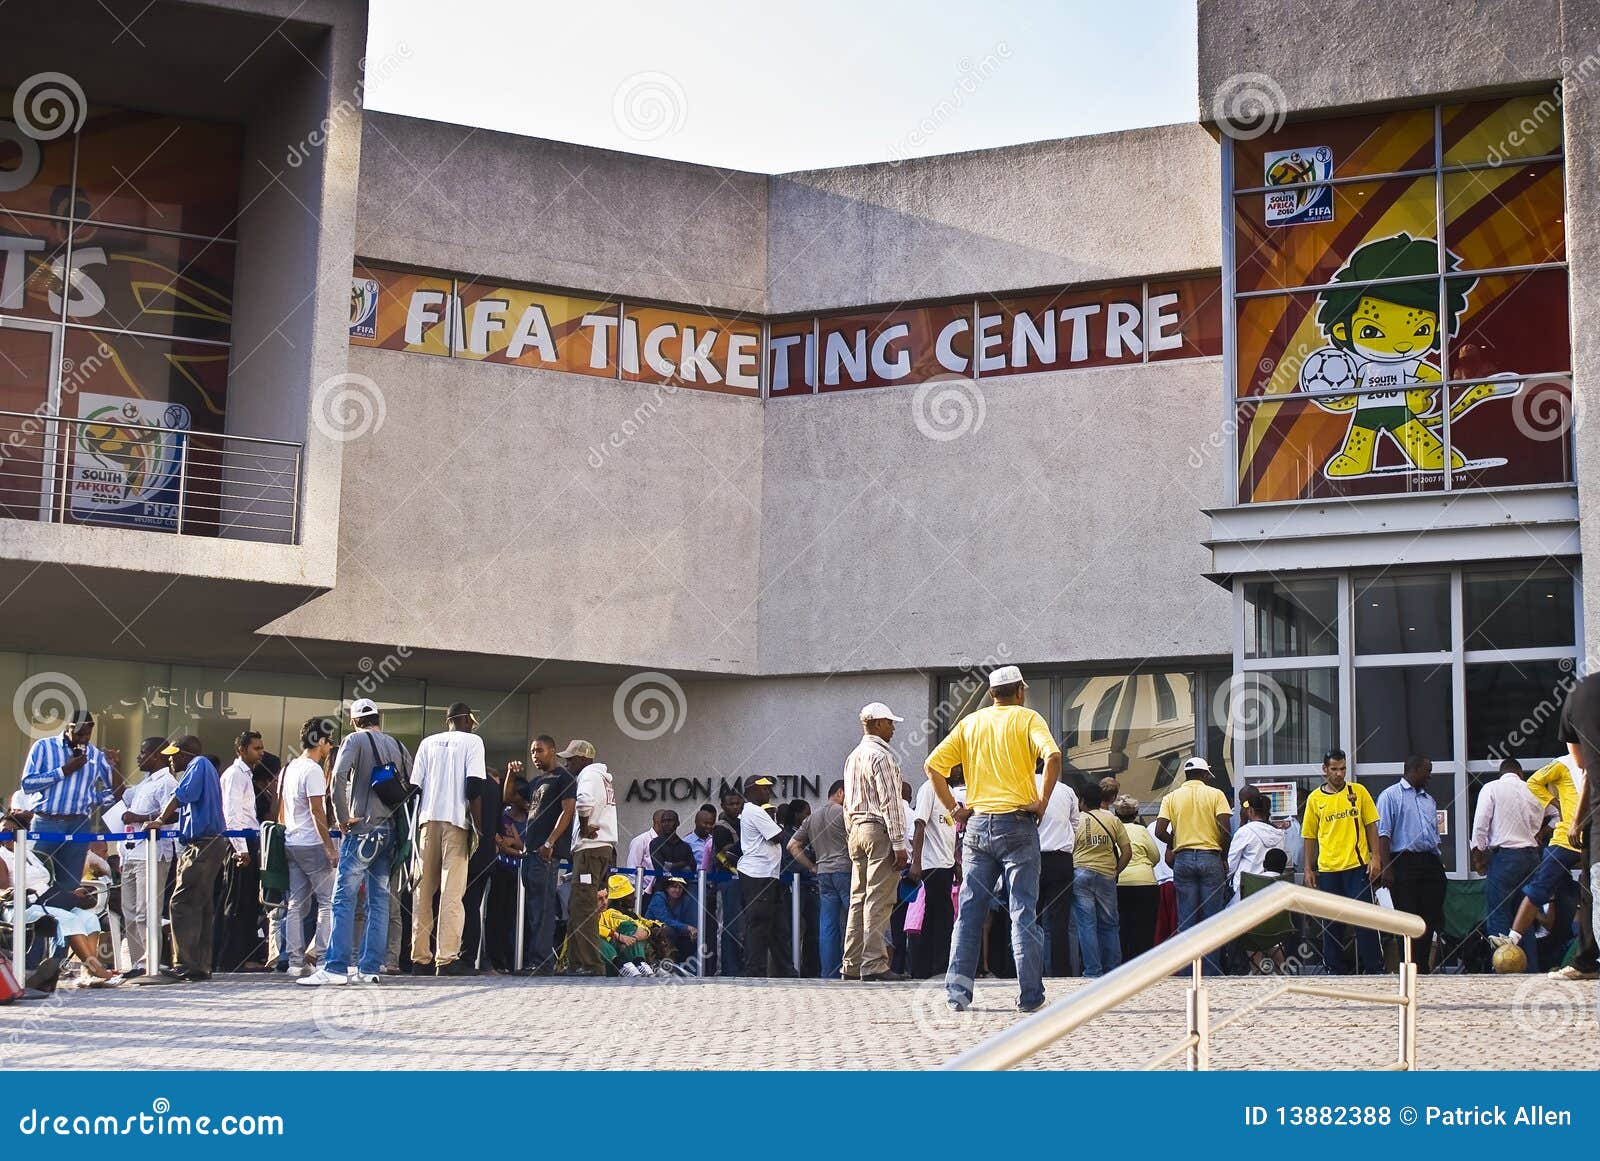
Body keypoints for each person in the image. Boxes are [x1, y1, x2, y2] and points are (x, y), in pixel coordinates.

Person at [927, 666, 1063, 1013]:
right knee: (1022, 911)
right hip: (1018, 824)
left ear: (991, 694)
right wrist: (1043, 800)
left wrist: (955, 809)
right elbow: (1053, 756)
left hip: (977, 827)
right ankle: (1030, 996)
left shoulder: (971, 723)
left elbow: (932, 766)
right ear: (1020, 691)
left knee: (969, 913)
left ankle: (957, 994)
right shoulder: (1028, 718)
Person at [301, 698, 413, 987]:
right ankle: (369, 968)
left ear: (353, 721)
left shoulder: (354, 740)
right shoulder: (399, 746)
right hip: (389, 831)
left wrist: (341, 816)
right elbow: (411, 784)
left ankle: (336, 968)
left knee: (343, 898)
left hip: (362, 828)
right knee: (379, 902)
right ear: (379, 717)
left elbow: (338, 777)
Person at [410, 703, 487, 976]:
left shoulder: (427, 742)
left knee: (423, 893)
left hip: (426, 822)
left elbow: (414, 786)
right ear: (466, 719)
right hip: (456, 822)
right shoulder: (473, 742)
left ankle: (420, 958)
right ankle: (447, 958)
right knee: (452, 893)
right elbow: (474, 786)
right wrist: (478, 827)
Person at [1490, 751, 1586, 969]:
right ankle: (1513, 938)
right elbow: (1533, 783)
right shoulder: (1563, 764)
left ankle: (1586, 953)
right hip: (1564, 840)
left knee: (1585, 897)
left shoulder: (1593, 763)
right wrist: (1555, 803)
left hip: (1592, 840)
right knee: (1539, 888)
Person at [0, 813, 120, 985]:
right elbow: (3, 889)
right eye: (5, 830)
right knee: (69, 919)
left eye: (14, 830)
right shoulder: (2, 856)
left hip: (49, 900)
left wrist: (71, 893)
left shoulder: (28, 853)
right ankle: (93, 969)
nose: (9, 834)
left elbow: (47, 881)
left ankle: (87, 974)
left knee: (90, 919)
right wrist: (15, 892)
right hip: (24, 904)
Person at [145, 736, 227, 983]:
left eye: (173, 754)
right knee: (201, 904)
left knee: (181, 903)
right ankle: (200, 966)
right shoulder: (203, 767)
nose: (169, 759)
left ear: (184, 755)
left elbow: (182, 795)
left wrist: (159, 819)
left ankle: (185, 964)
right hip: (209, 843)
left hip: (202, 844)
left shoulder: (198, 764)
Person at [844, 703, 910, 983]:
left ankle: (852, 962)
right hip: (878, 829)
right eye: (890, 723)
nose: (893, 728)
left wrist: (852, 832)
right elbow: (891, 802)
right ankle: (873, 964)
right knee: (879, 899)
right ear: (877, 723)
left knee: (858, 899)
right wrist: (899, 844)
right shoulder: (881, 757)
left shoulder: (853, 756)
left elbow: (847, 802)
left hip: (856, 830)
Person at [21, 710, 122, 893]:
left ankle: (63, 918)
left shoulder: (96, 755)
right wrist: (64, 770)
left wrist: (114, 767)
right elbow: (27, 784)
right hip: (46, 822)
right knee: (36, 879)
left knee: (70, 883)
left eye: (87, 734)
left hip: (79, 824)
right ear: (69, 727)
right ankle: (37, 920)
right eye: (79, 733)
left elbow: (115, 793)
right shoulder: (43, 747)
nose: (83, 738)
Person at [1301, 748, 1382, 974]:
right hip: (1328, 869)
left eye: (1343, 768)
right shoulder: (1315, 799)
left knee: (1364, 919)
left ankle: (1374, 968)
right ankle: (1334, 969)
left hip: (1357, 866)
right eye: (1334, 769)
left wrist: (1375, 857)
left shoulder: (1358, 792)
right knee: (1331, 923)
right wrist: (1309, 867)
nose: (1339, 774)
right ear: (1325, 770)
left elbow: (1371, 825)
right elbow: (1309, 835)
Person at [1154, 756, 1232, 974]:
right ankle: (1210, 972)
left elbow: (1160, 831)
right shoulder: (1216, 795)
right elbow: (1226, 829)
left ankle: (1188, 972)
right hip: (1210, 858)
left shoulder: (1171, 797)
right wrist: (1222, 856)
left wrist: (1176, 843)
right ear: (1205, 775)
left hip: (1183, 860)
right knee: (1211, 921)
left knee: (1186, 919)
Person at [508, 735, 576, 973]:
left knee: (544, 909)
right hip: (529, 853)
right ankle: (535, 959)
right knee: (534, 908)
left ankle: (543, 961)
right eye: (533, 752)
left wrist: (550, 842)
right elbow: (510, 797)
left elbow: (568, 811)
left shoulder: (564, 778)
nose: (535, 755)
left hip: (546, 854)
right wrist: (511, 774)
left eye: (540, 750)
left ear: (553, 751)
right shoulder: (537, 781)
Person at [1470, 758, 1543, 972]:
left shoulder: (1491, 788)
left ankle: (1505, 969)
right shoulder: (1532, 790)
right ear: (1520, 773)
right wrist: (1535, 834)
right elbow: (1550, 817)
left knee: (1499, 915)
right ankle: (1530, 969)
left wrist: (1478, 854)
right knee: (1525, 917)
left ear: (1501, 773)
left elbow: (1480, 823)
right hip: (1531, 858)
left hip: (1505, 858)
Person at [1376, 754, 1447, 974]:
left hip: (1429, 861)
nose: (1430, 776)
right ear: (1414, 770)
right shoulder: (1390, 796)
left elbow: (1433, 834)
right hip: (1403, 861)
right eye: (1427, 770)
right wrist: (1386, 867)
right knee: (1407, 917)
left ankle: (1423, 966)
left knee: (1429, 916)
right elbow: (1383, 834)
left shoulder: (1429, 800)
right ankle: (1408, 965)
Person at [113, 737, 176, 977]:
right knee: (129, 910)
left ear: (158, 755)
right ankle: (138, 963)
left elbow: (172, 815)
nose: (138, 757)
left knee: (146, 910)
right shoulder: (146, 782)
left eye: (143, 752)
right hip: (131, 853)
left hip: (152, 854)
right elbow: (121, 795)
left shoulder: (167, 781)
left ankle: (152, 961)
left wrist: (139, 817)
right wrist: (113, 766)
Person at [281, 717, 339, 980]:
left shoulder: (291, 767)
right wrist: (329, 848)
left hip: (292, 841)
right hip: (312, 843)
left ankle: (295, 961)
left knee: (295, 904)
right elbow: (317, 810)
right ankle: (325, 958)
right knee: (327, 902)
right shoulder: (313, 771)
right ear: (321, 742)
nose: (330, 746)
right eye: (329, 741)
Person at [1559, 674, 1600, 982]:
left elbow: (1584, 768)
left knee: (1591, 888)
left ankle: (1586, 960)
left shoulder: (1579, 693)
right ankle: (1585, 958)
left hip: (1597, 817)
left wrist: (1576, 820)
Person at [215, 730, 266, 972]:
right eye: (256, 748)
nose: (261, 752)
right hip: (240, 843)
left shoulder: (246, 775)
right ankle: (231, 958)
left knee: (247, 902)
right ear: (241, 750)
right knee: (236, 902)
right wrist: (241, 849)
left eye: (261, 748)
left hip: (249, 839)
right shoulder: (235, 775)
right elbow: (232, 813)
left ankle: (244, 956)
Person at [565, 740, 616, 976]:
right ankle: (575, 963)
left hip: (589, 848)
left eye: (571, 759)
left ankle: (591, 965)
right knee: (578, 906)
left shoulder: (588, 775)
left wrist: (584, 827)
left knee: (583, 907)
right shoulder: (602, 778)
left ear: (584, 759)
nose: (567, 763)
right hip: (599, 849)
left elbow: (584, 802)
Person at [1073, 780, 1130, 977]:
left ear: (1082, 801)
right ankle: (1113, 971)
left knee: (1086, 924)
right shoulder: (1112, 820)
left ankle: (1092, 971)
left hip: (1080, 873)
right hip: (1106, 875)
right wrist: (1116, 871)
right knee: (1110, 924)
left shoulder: (1076, 821)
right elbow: (1126, 851)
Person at [909, 771, 962, 979]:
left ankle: (929, 969)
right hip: (932, 866)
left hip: (946, 865)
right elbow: (919, 824)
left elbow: (949, 831)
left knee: (938, 918)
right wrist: (916, 862)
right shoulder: (928, 788)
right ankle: (934, 968)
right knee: (940, 918)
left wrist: (955, 861)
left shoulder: (948, 791)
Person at [737, 775, 791, 976]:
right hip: (757, 875)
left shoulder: (756, 812)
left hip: (767, 874)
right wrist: (781, 822)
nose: (767, 792)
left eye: (768, 789)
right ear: (749, 791)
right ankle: (754, 970)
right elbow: (777, 837)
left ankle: (785, 970)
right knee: (758, 924)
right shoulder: (754, 811)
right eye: (762, 789)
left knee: (777, 925)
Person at [459, 761, 507, 974]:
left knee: (464, 906)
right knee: (474, 908)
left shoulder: (469, 783)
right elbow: (498, 825)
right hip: (486, 856)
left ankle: (465, 958)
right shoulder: (494, 787)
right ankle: (472, 957)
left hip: (468, 854)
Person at [1035, 767, 1078, 977]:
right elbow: (1075, 824)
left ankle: (1031, 969)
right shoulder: (1066, 790)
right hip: (1061, 858)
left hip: (1031, 859)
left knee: (1028, 918)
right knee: (1060, 919)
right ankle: (1061, 970)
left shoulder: (1024, 788)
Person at [1115, 795, 1161, 963]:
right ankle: (1143, 963)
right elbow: (1155, 856)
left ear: (1116, 813)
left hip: (1119, 883)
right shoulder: (1142, 830)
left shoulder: (1114, 829)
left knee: (1122, 926)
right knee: (1145, 927)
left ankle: (1123, 962)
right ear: (1136, 813)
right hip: (1145, 883)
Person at [1227, 787, 1286, 902]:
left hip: (1246, 889)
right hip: (1272, 888)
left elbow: (1231, 864)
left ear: (1250, 811)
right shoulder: (1280, 833)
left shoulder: (1245, 831)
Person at [712, 787, 745, 975]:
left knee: (740, 926)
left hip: (741, 881)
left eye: (738, 803)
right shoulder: (721, 828)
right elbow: (730, 854)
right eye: (731, 804)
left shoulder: (742, 823)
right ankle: (727, 968)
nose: (735, 807)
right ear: (723, 806)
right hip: (727, 881)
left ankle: (738, 967)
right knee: (728, 926)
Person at [597, 875, 656, 977]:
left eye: (606, 897)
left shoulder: (610, 913)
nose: (605, 902)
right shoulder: (581, 916)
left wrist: (633, 938)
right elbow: (589, 930)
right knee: (594, 937)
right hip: (594, 959)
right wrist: (617, 935)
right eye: (600, 899)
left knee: (629, 927)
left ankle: (639, 963)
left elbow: (640, 926)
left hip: (617, 957)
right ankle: (623, 966)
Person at [645, 875, 698, 963]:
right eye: (674, 887)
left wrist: (689, 932)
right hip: (652, 932)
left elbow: (677, 922)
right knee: (669, 931)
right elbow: (665, 920)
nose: (677, 890)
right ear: (667, 888)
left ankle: (675, 966)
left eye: (680, 887)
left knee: (690, 942)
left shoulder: (680, 901)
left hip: (672, 932)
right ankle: (664, 964)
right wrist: (688, 928)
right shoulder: (658, 897)